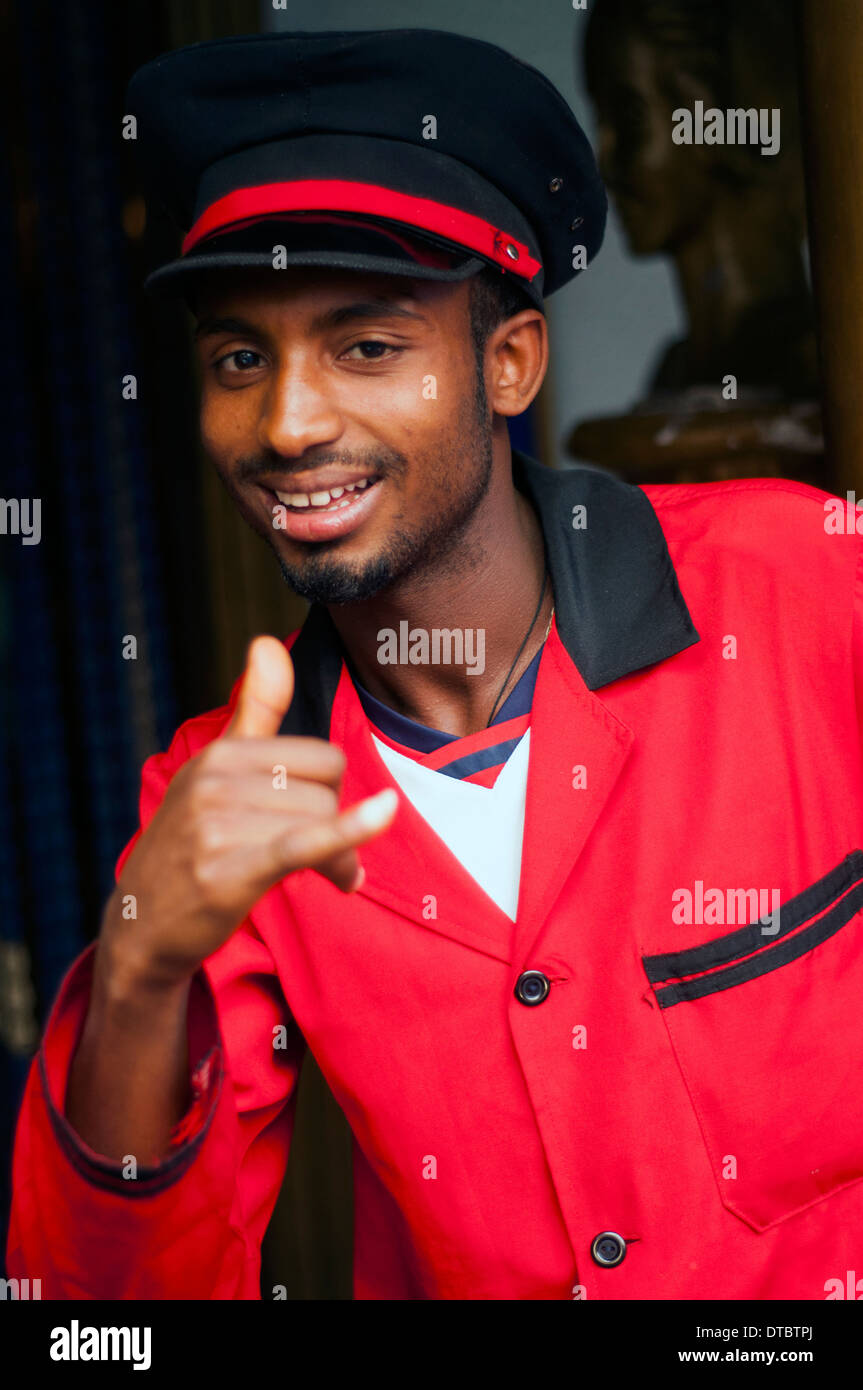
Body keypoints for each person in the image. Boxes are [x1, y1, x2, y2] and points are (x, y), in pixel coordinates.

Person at [7, 27, 863, 1302]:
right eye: (240, 357)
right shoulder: (229, 796)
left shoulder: (795, 583)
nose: (289, 422)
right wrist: (138, 963)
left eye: (366, 346)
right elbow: (107, 1318)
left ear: (507, 361)